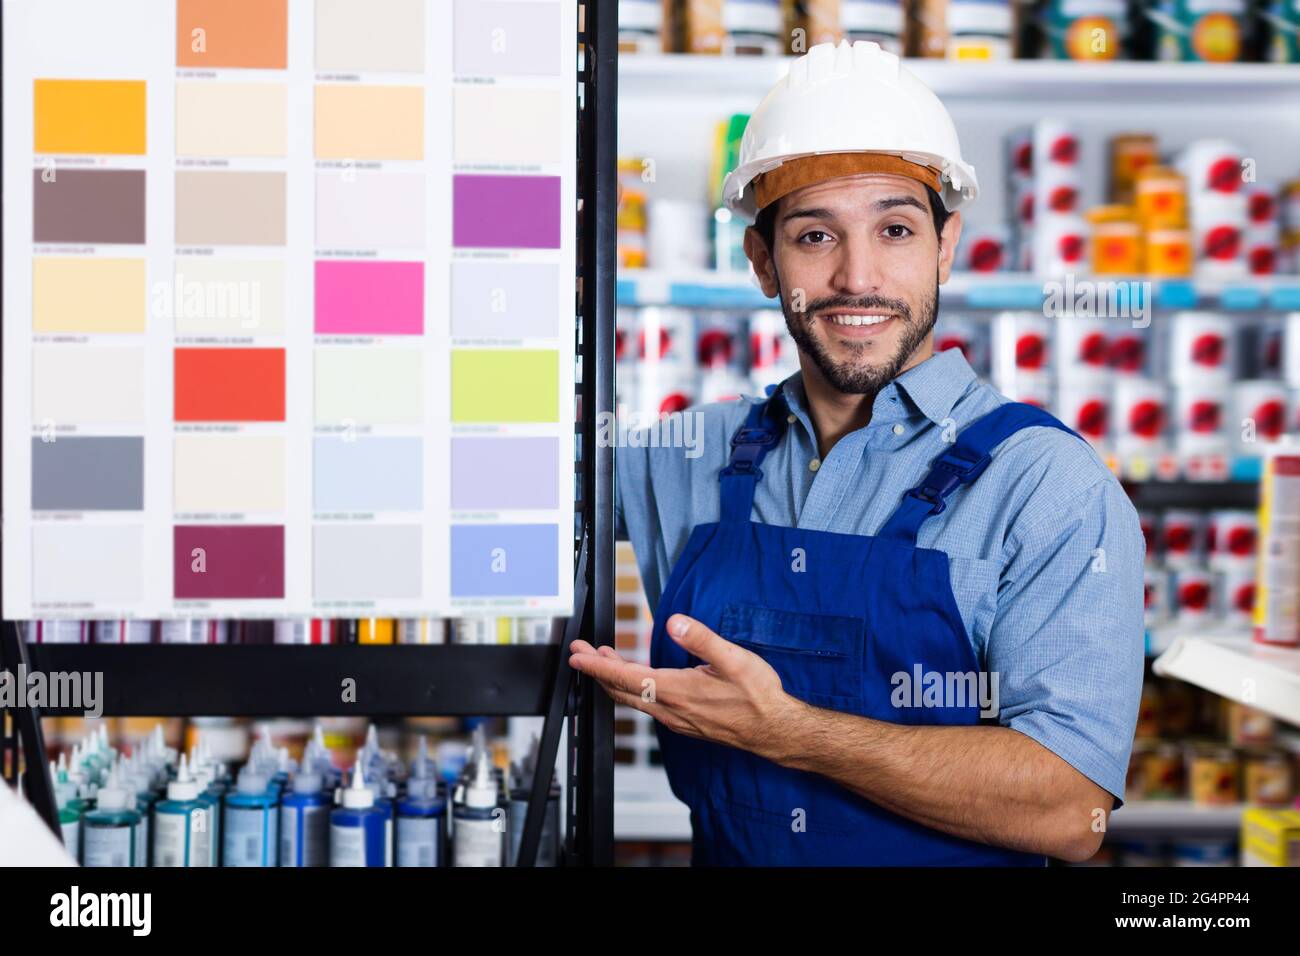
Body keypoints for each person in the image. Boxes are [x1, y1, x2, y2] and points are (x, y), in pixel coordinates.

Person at [569, 40, 1144, 865]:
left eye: (896, 229)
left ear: (946, 248)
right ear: (764, 263)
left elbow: (1067, 811)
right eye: (814, 236)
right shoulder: (682, 458)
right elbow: (488, 489)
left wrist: (792, 734)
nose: (857, 277)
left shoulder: (1046, 486)